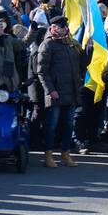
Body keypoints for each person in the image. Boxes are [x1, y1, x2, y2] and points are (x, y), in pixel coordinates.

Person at [34, 15, 83, 169]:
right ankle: (48, 154)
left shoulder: (70, 45)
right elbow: (42, 72)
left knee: (68, 124)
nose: (64, 29)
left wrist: (88, 50)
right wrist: (50, 90)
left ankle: (65, 153)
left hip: (71, 91)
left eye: (65, 27)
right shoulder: (47, 45)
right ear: (53, 28)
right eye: (61, 27)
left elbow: (80, 65)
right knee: (52, 125)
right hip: (56, 92)